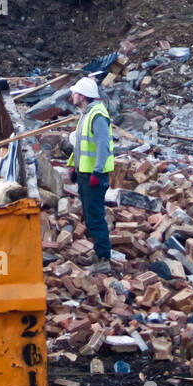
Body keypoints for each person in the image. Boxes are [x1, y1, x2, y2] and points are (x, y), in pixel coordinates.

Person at [67, 76, 114, 272]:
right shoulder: (86, 113)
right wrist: (73, 165)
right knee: (90, 214)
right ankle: (98, 253)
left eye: (75, 93)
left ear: (83, 96)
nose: (72, 96)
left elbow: (103, 145)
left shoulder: (97, 115)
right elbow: (81, 145)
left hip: (95, 175)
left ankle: (103, 259)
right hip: (85, 173)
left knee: (95, 216)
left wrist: (97, 170)